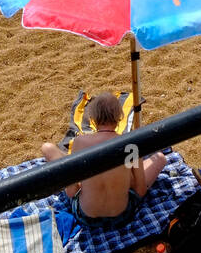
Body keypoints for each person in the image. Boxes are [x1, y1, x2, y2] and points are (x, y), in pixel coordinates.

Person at [40, 92, 166, 226]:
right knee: (159, 158)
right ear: (119, 117)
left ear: (93, 117)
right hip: (123, 215)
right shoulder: (130, 143)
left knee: (47, 148)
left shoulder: (80, 143)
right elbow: (140, 191)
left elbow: (71, 192)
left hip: (86, 217)